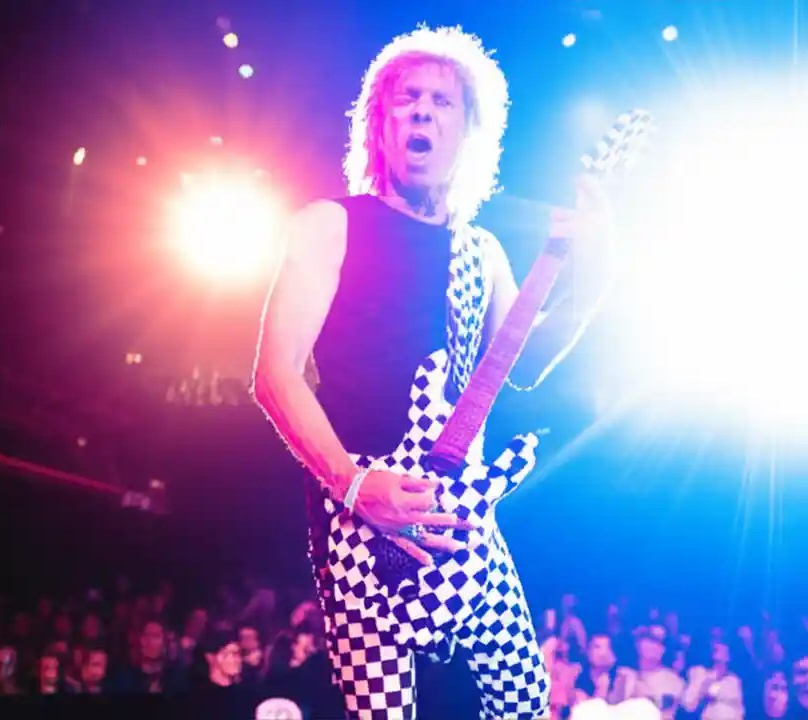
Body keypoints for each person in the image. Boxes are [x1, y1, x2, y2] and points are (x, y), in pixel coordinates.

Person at [252, 24, 612, 720]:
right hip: (361, 525)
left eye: (442, 102)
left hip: (465, 522)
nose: (422, 111)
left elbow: (524, 366)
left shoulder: (483, 251)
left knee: (523, 702)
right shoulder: (330, 225)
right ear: (378, 123)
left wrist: (598, 268)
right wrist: (356, 486)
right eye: (406, 98)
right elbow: (275, 374)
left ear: (470, 132)